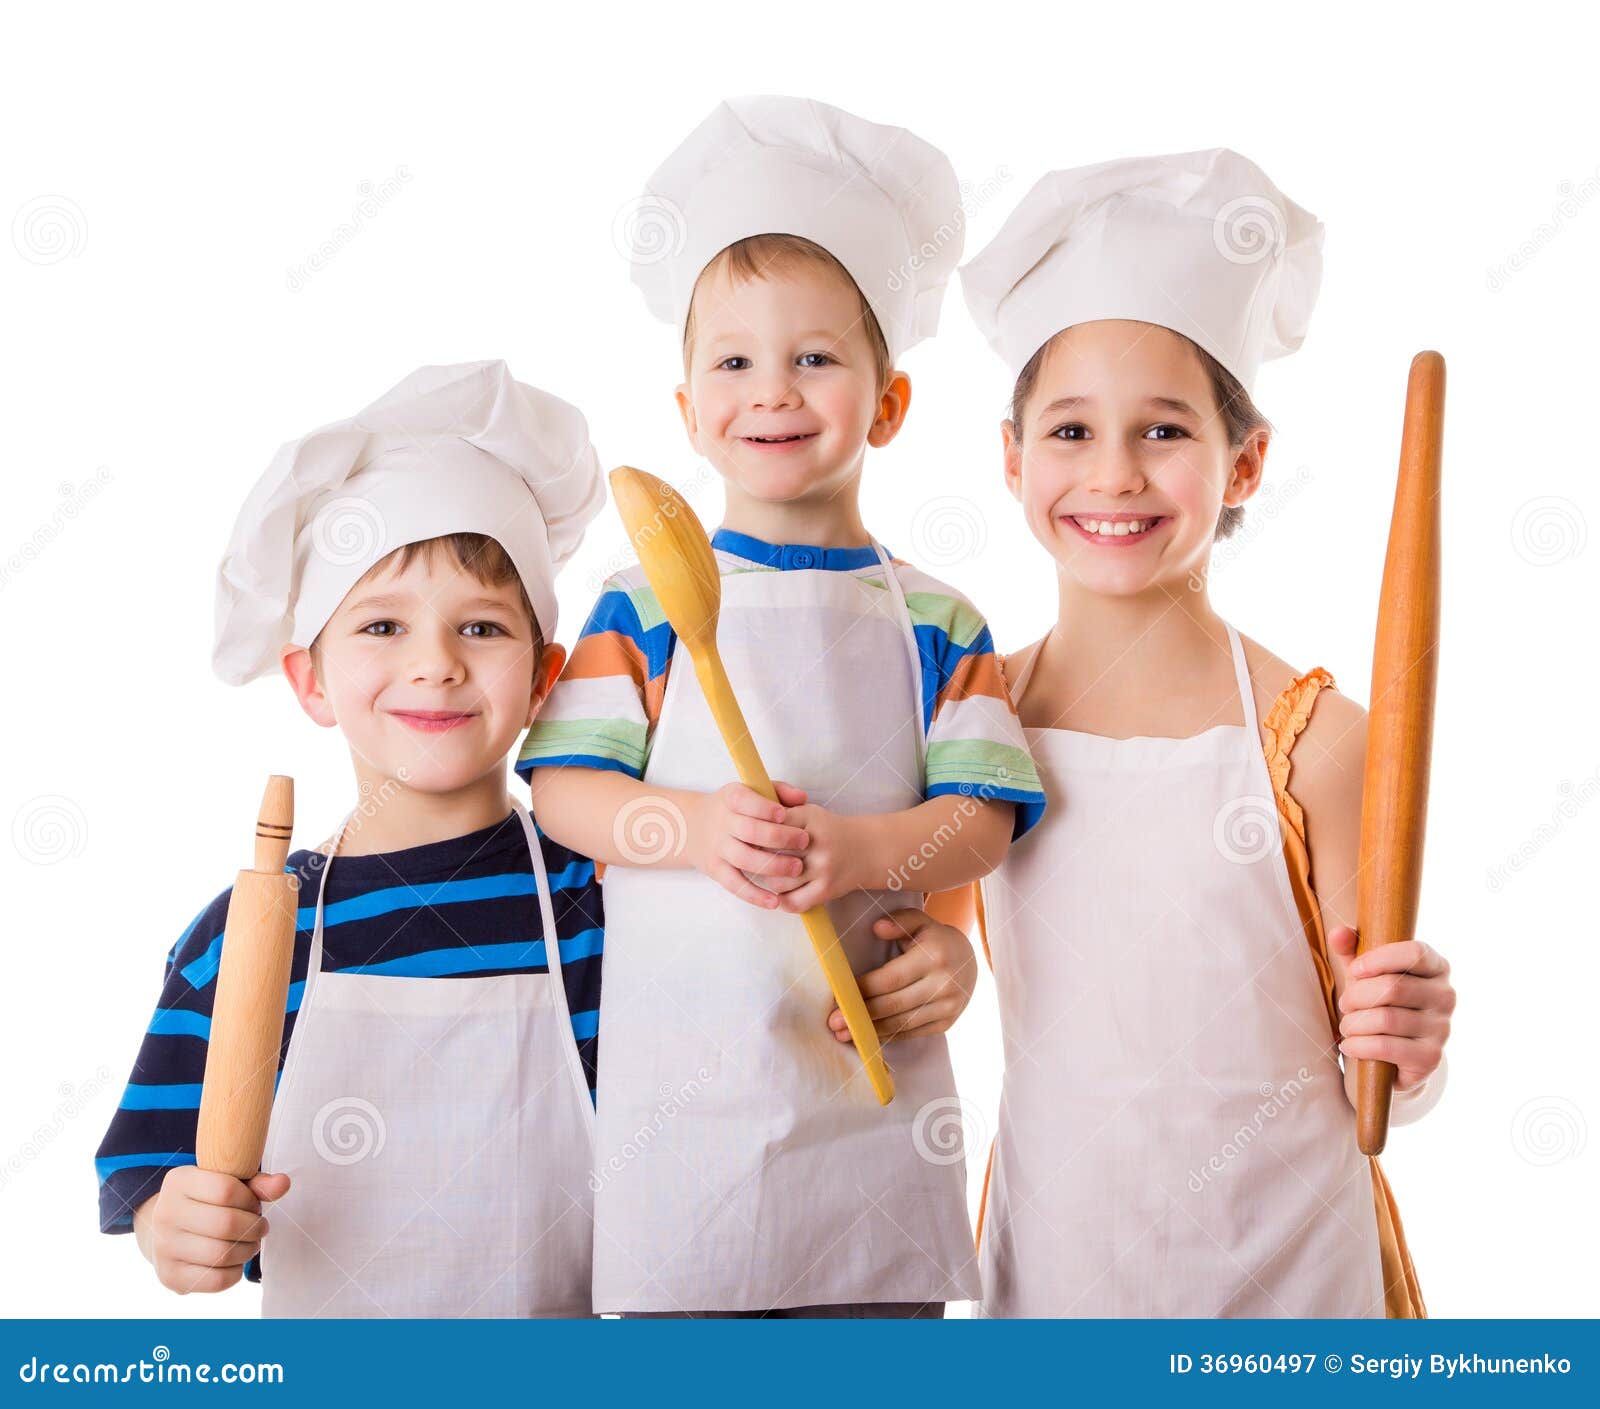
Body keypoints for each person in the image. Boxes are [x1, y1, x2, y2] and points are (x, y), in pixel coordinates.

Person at [521, 96, 1046, 1316]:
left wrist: (866, 848)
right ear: (688, 407)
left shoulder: (937, 620)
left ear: (890, 401)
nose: (773, 389)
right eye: (734, 360)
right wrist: (694, 828)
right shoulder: (640, 600)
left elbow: (982, 817)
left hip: (868, 1076)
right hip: (680, 1110)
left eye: (815, 356)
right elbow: (567, 793)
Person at [955, 150, 1455, 1318]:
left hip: (1298, 1291)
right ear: (1012, 457)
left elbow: (1374, 1071)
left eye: (1164, 430)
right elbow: (924, 978)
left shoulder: (1322, 745)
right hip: (1059, 1279)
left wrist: (1408, 1043)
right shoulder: (969, 731)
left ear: (1246, 463)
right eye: (1070, 430)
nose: (1113, 474)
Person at [95, 361, 608, 1316]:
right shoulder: (251, 934)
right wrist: (178, 1224)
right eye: (381, 624)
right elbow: (154, 1175)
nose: (436, 664)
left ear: (544, 676)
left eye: (483, 627)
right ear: (312, 681)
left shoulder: (602, 903)